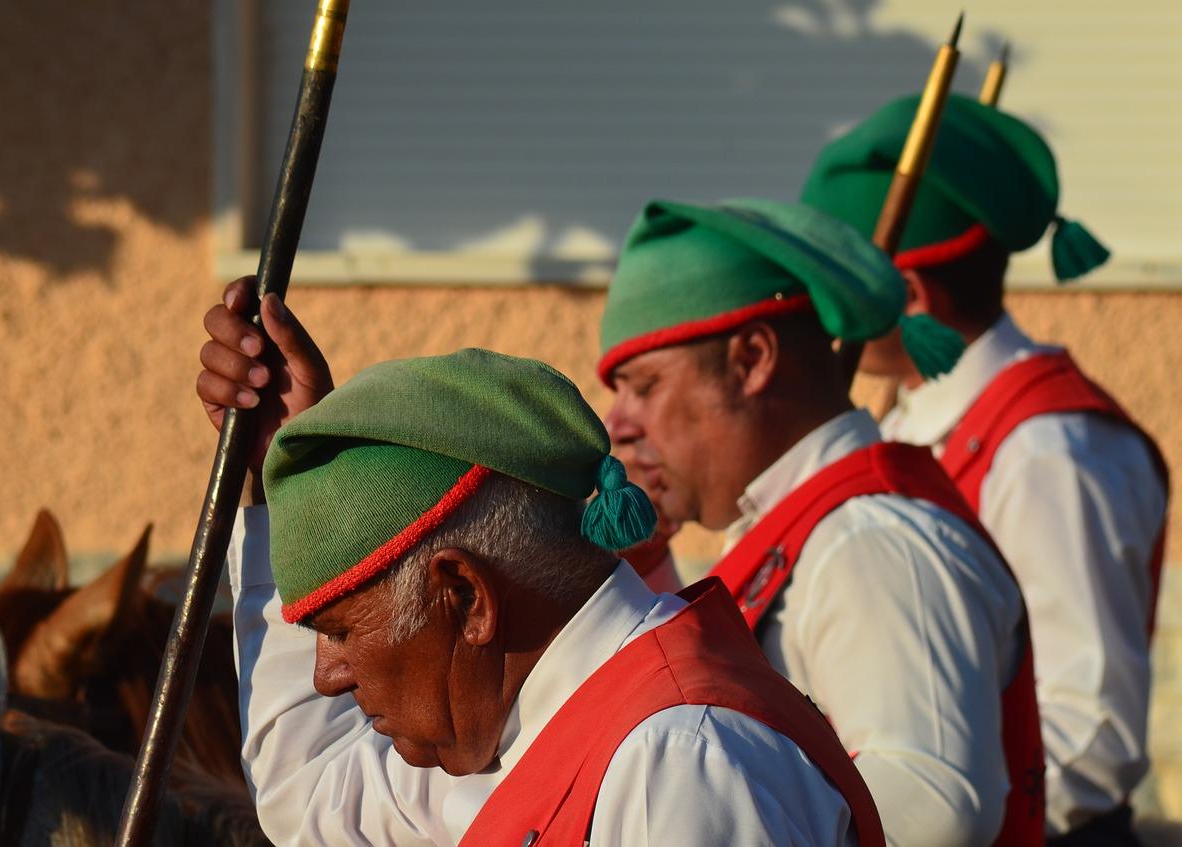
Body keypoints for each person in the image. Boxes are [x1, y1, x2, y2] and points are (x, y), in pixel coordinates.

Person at [197, 279, 883, 846]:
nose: (326, 676)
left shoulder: (672, 762)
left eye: (341, 631)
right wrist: (289, 486)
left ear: (467, 597)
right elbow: (313, 793)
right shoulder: (527, 731)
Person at [598, 197, 1043, 846]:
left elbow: (937, 807)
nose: (618, 424)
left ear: (752, 359)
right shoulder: (808, 528)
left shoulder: (868, 540)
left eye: (644, 386)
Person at [802, 93, 1169, 846]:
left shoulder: (1046, 452)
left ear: (908, 297)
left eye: (831, 287)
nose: (815, 313)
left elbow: (1089, 738)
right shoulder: (914, 418)